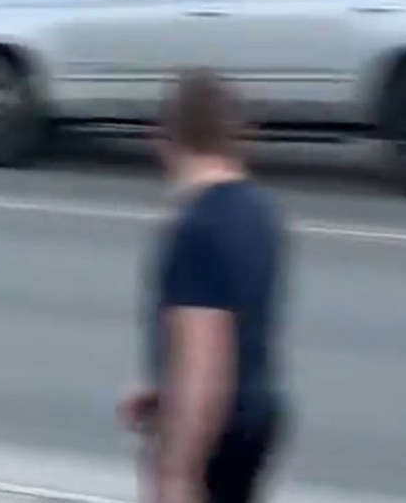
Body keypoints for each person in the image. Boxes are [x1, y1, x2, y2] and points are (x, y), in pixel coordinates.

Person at [121, 68, 290, 503]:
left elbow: (204, 352)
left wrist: (179, 470)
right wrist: (162, 384)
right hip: (255, 414)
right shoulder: (259, 210)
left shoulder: (197, 226)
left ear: (166, 139)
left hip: (213, 431)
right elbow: (241, 321)